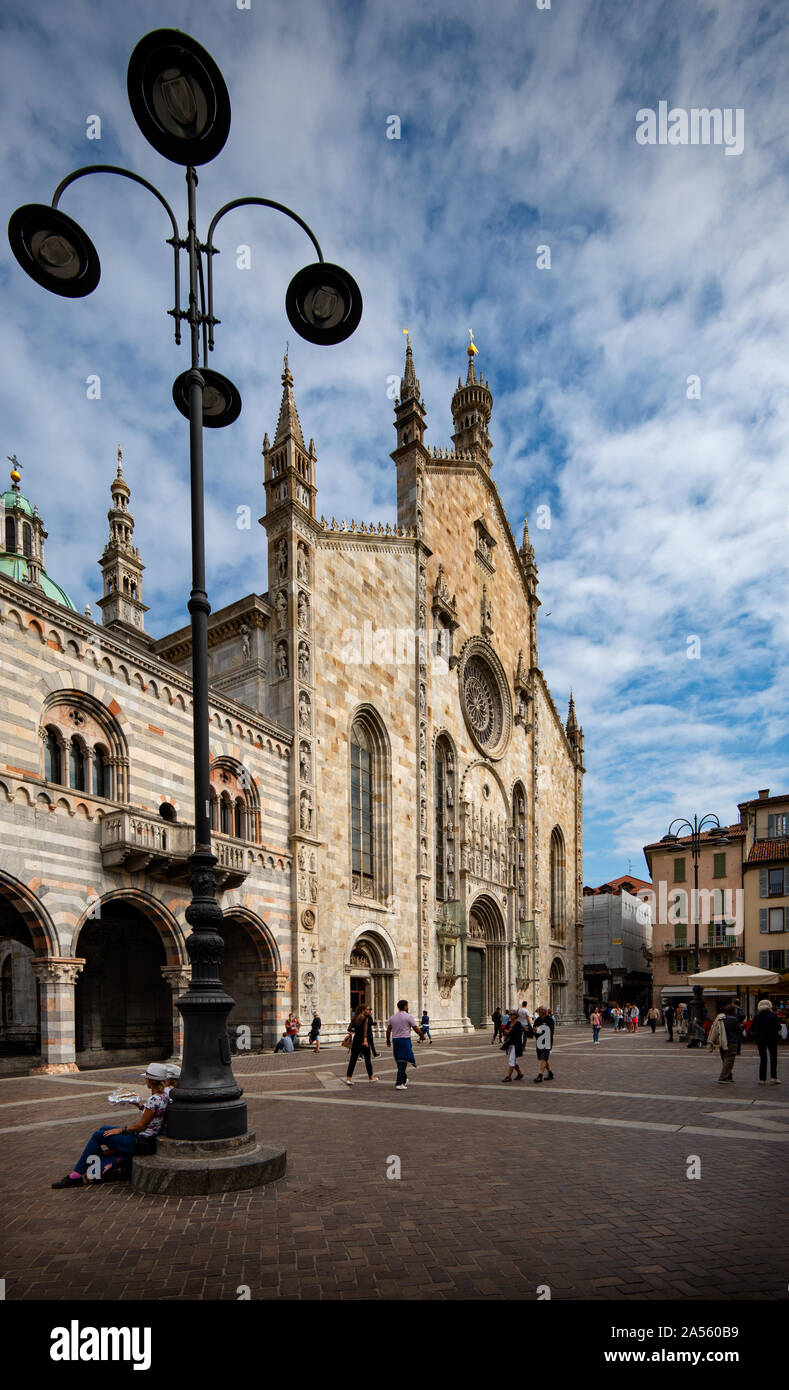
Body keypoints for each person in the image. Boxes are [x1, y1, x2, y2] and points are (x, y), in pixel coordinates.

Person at [51, 1062, 169, 1187]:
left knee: (98, 1135)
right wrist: (138, 1104)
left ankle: (76, 1175)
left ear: (150, 1081)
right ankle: (96, 1162)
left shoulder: (153, 1099)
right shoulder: (163, 1097)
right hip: (146, 1139)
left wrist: (121, 1130)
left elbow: (142, 1125)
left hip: (141, 1141)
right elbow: (153, 1117)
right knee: (103, 1129)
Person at [386, 999, 422, 1089]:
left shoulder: (392, 1017)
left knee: (399, 1060)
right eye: (407, 1005)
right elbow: (416, 1028)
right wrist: (422, 1035)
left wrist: (388, 1040)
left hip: (395, 1040)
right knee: (404, 1060)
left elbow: (388, 1030)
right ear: (405, 1006)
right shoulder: (408, 1017)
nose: (408, 1007)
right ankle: (399, 1083)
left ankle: (404, 1079)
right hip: (405, 1040)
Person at [344, 1005, 378, 1085]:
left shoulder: (355, 1017)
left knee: (353, 1060)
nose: (368, 1011)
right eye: (367, 1009)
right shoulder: (365, 1018)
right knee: (367, 1060)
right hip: (363, 1041)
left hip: (356, 1040)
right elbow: (365, 1031)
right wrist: (365, 1041)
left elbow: (349, 1028)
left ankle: (348, 1078)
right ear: (363, 1010)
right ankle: (371, 1077)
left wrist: (352, 1032)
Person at [750, 999, 781, 1085]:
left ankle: (762, 1079)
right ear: (770, 1005)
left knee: (763, 1058)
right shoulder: (773, 1015)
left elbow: (753, 1029)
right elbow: (779, 1027)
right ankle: (773, 1077)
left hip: (760, 1039)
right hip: (772, 1038)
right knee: (773, 1057)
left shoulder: (756, 1016)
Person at [710, 1005, 743, 1083]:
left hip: (722, 1041)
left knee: (725, 1059)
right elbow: (739, 1030)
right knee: (730, 1059)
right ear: (733, 1011)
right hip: (732, 1041)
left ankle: (729, 1076)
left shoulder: (720, 1018)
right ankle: (723, 1077)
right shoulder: (734, 1019)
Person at [532, 1005, 555, 1083]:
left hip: (547, 1041)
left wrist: (538, 1030)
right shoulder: (537, 1020)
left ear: (544, 1011)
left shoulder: (550, 1020)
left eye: (539, 1010)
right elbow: (534, 1028)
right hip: (539, 1041)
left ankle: (540, 1075)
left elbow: (549, 1031)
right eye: (538, 1010)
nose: (538, 1012)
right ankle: (550, 1073)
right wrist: (534, 1030)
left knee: (544, 1058)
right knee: (543, 1058)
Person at [501, 1010, 526, 1081]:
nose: (510, 1016)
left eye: (511, 1014)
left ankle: (509, 1077)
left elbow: (514, 1032)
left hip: (516, 1044)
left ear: (515, 1015)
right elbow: (505, 1030)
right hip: (509, 1044)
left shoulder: (518, 1023)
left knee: (511, 1060)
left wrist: (508, 1031)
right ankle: (520, 1074)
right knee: (514, 1061)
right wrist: (507, 1031)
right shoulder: (509, 1023)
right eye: (509, 1014)